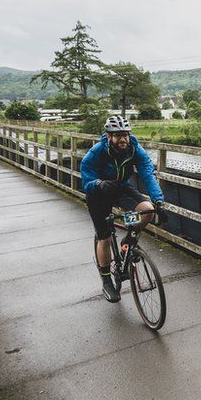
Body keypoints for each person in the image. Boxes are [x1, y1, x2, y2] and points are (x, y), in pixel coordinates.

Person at [80, 116, 166, 302]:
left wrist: (159, 201)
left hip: (120, 187)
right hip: (98, 192)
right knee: (104, 237)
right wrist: (99, 183)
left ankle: (128, 241)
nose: (123, 139)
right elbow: (86, 179)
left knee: (147, 209)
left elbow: (147, 173)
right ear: (109, 136)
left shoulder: (134, 149)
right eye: (118, 135)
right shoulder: (97, 152)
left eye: (125, 135)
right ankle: (107, 281)